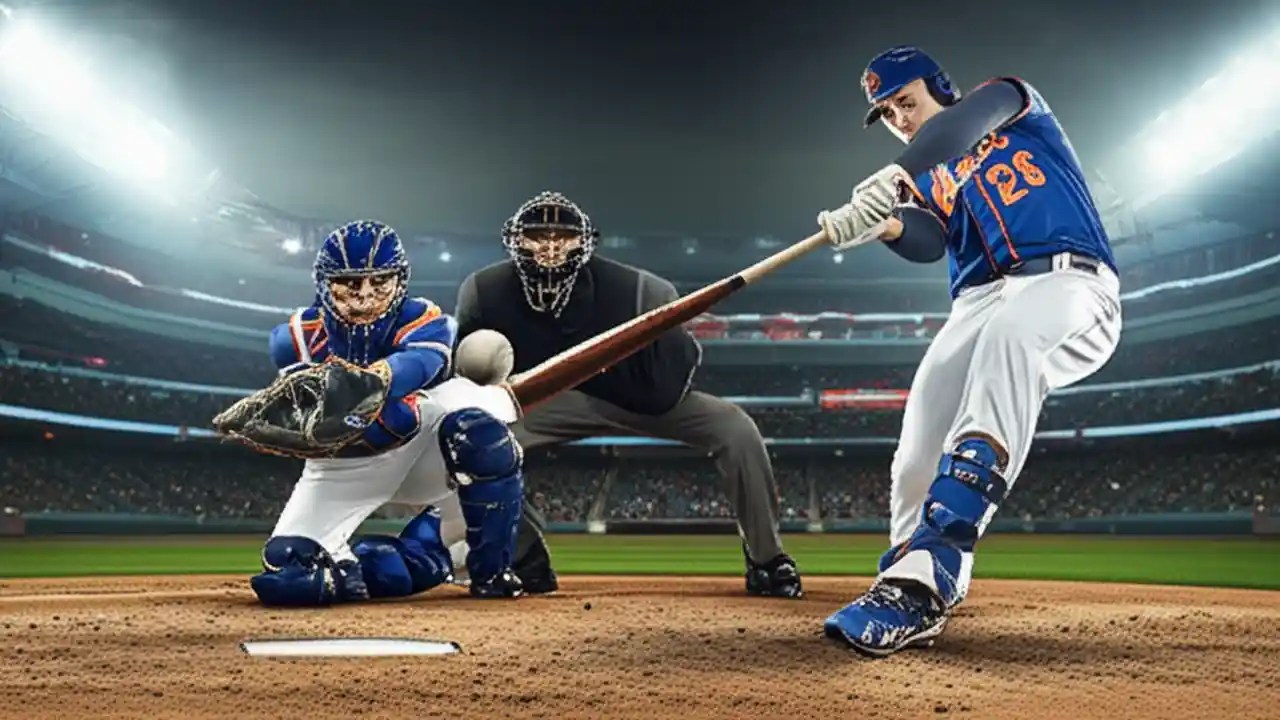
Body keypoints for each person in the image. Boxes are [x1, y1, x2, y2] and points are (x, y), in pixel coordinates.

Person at [817, 46, 1123, 655]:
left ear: (940, 87)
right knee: (917, 449)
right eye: (887, 113)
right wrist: (884, 225)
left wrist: (893, 177)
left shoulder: (1010, 103)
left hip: (1066, 279)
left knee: (1012, 339)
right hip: (978, 301)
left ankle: (931, 574)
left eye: (906, 101)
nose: (899, 118)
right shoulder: (928, 175)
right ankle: (903, 587)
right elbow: (930, 241)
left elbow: (959, 127)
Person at [454, 191, 803, 598]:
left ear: (584, 241)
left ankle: (766, 559)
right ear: (515, 239)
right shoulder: (484, 290)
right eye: (537, 236)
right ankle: (525, 556)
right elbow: (466, 379)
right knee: (466, 446)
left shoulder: (640, 289)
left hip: (636, 394)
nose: (550, 247)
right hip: (549, 401)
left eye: (562, 236)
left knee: (736, 429)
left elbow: (669, 383)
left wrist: (636, 381)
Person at [247, 219, 526, 606]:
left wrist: (367, 382)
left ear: (400, 281)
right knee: (291, 575)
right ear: (324, 284)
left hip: (418, 438)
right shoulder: (294, 336)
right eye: (349, 284)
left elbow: (418, 366)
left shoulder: (426, 319)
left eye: (379, 283)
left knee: (480, 436)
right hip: (343, 463)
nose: (365, 297)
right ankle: (427, 555)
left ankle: (492, 571)